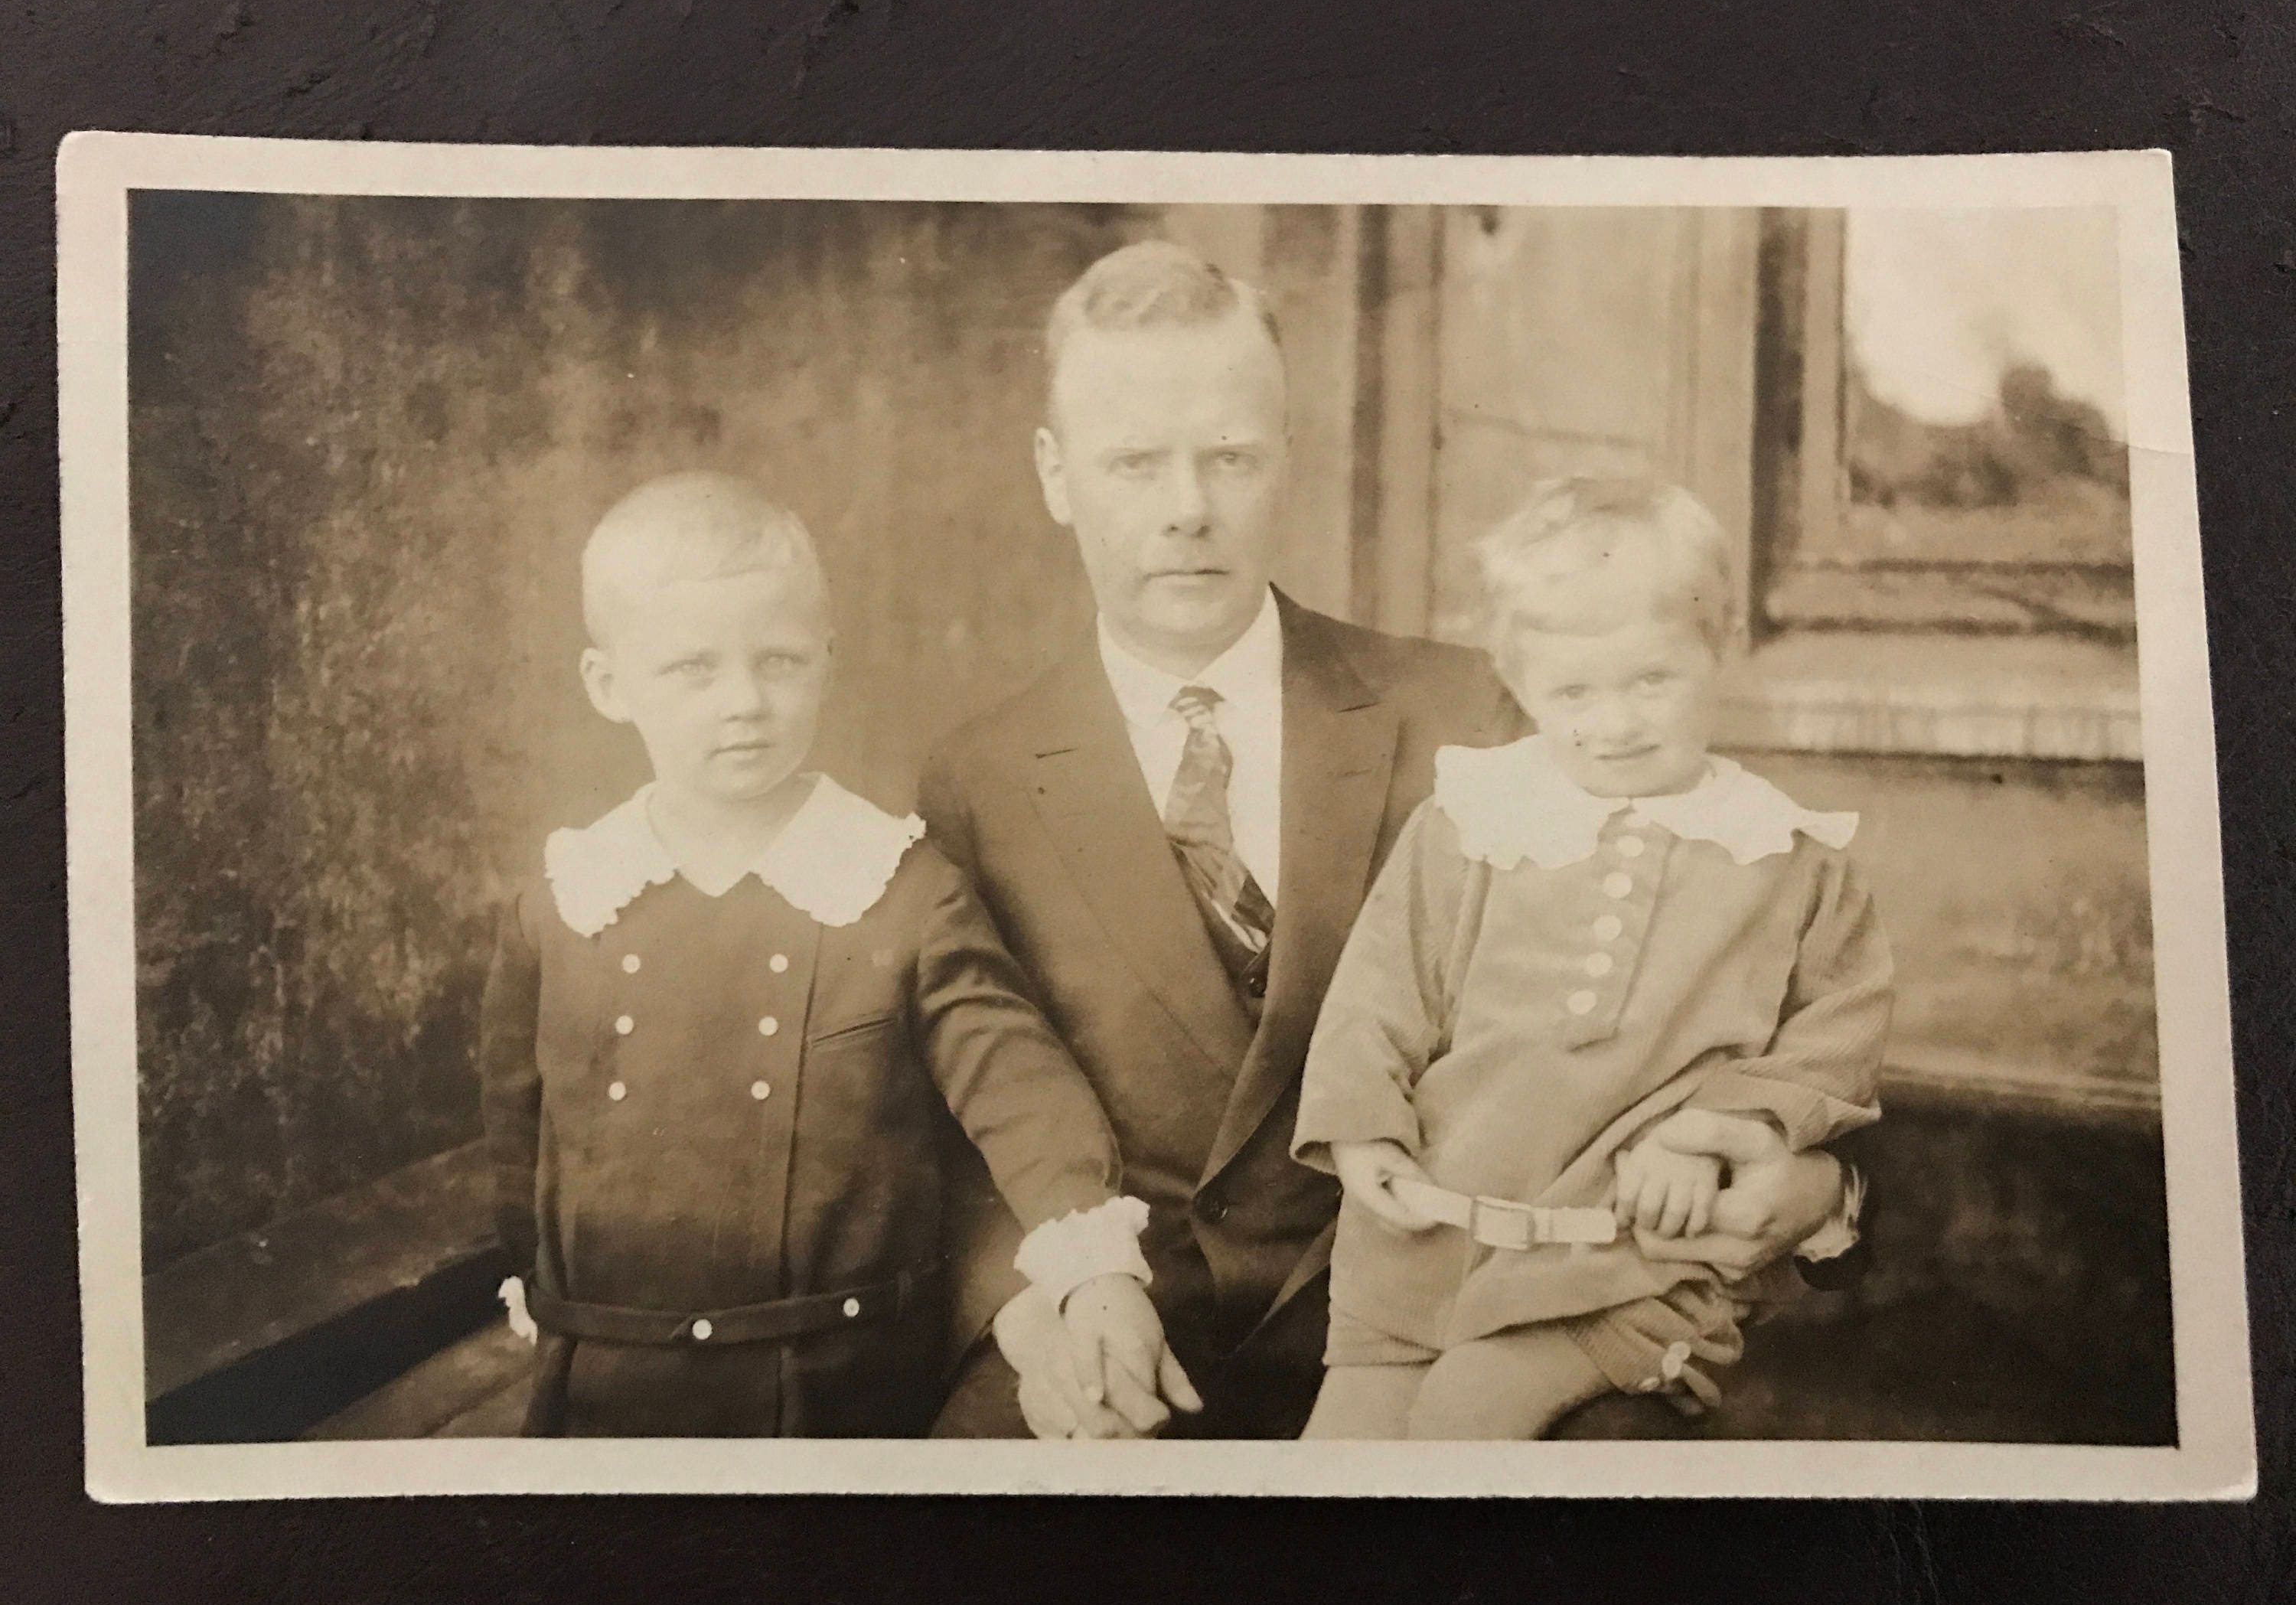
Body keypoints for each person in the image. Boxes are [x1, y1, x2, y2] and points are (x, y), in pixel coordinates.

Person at [923, 242, 1864, 1441]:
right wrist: (1041, 1304)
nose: (1187, 507)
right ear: (1057, 475)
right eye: (1133, 462)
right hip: (1136, 1317)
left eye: (1230, 456)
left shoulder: (1477, 712)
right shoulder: (982, 775)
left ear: (1288, 460)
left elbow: (1734, 977)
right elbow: (964, 1109)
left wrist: (1820, 1188)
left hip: (1463, 1304)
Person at [479, 471, 1173, 1437]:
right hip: (607, 1389)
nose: (745, 702)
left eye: (780, 661)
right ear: (609, 686)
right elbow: (519, 1140)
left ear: (827, 663)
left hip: (839, 1390)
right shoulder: (568, 901)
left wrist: (1092, 1270)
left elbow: (1021, 1090)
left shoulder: (898, 887)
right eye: (693, 669)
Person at [1293, 476, 1889, 1438]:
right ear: (1518, 679)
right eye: (1573, 692)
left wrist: (1719, 1130)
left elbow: (1838, 1035)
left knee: (1460, 1422)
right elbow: (1377, 995)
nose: (1615, 724)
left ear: (1722, 645)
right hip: (1429, 1236)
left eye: (1652, 681)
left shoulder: (1786, 855)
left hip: (1627, 1263)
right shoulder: (1471, 822)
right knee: (1338, 1457)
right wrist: (1363, 1130)